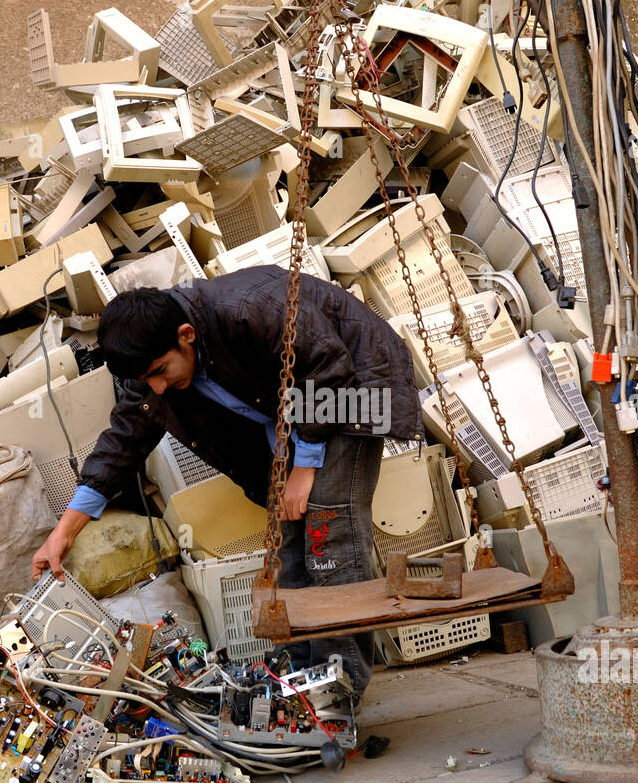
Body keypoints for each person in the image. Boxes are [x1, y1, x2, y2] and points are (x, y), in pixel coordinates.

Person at [30, 264, 423, 699]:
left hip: (356, 385)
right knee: (289, 546)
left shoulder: (245, 309)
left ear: (186, 335)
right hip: (299, 412)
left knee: (328, 531)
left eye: (161, 370)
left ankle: (341, 688)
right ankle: (305, 679)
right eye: (147, 380)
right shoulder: (154, 365)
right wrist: (64, 533)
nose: (158, 388)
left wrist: (305, 466)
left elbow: (327, 366)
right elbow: (122, 443)